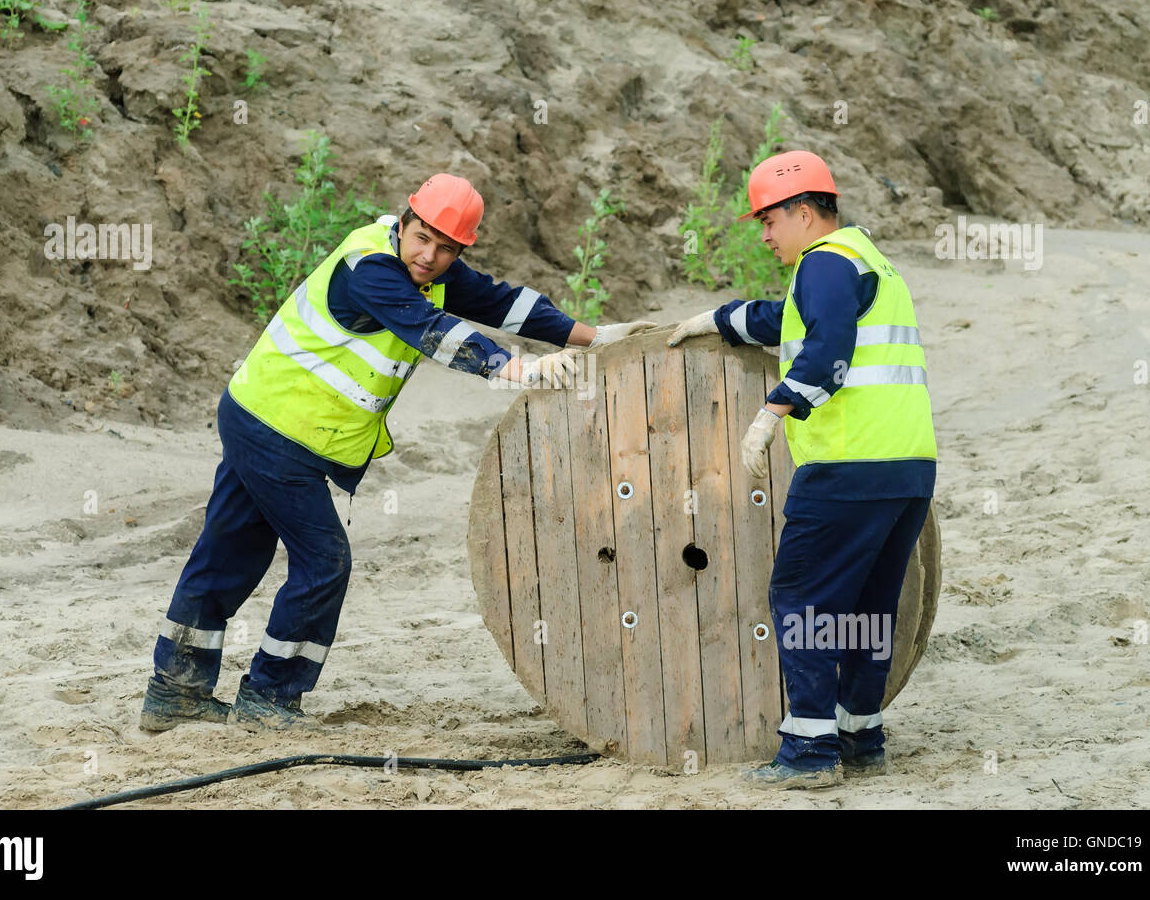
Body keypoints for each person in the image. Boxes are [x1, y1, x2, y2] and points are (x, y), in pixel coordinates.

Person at [141, 173, 655, 732]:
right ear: (403, 221)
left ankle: (174, 696)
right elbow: (432, 331)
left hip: (263, 415)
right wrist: (520, 369)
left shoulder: (427, 265)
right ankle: (269, 697)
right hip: (276, 431)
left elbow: (502, 303)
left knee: (227, 554)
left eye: (446, 248)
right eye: (422, 238)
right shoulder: (372, 268)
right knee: (323, 563)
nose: (430, 257)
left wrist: (594, 336)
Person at [667, 150, 936, 789]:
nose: (764, 234)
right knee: (870, 603)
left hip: (846, 467)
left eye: (769, 220)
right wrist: (718, 318)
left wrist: (774, 411)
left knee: (803, 597)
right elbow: (790, 320)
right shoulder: (865, 259)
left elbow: (828, 346)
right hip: (907, 468)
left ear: (804, 212)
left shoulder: (822, 263)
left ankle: (809, 753)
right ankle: (859, 735)